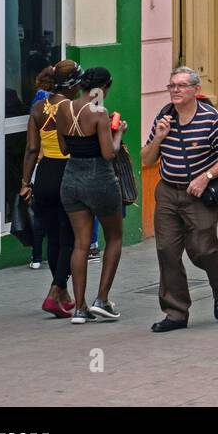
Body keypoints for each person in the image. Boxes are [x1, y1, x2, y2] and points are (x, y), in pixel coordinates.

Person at [141, 66, 218, 333]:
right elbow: (147, 159)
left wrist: (206, 176)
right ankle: (175, 312)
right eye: (172, 85)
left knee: (203, 250)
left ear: (196, 90)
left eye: (181, 86)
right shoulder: (164, 117)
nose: (175, 90)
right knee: (167, 252)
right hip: (168, 192)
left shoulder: (210, 119)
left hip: (198, 195)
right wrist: (159, 138)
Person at [55, 67, 128, 325]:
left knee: (81, 244)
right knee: (115, 237)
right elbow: (109, 153)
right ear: (104, 87)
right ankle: (102, 300)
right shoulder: (100, 112)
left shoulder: (63, 109)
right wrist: (118, 132)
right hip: (100, 179)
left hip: (71, 177)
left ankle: (80, 308)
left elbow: (64, 148)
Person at [20, 61, 82, 318]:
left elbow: (32, 149)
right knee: (72, 237)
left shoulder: (38, 108)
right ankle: (55, 291)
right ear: (74, 84)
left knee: (54, 237)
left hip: (44, 176)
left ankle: (62, 291)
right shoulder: (73, 108)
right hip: (69, 174)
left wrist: (25, 182)